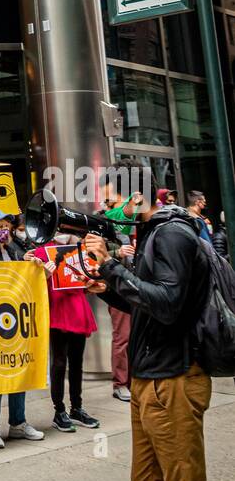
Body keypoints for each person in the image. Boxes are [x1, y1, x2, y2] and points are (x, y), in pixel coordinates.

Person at [84, 194, 218, 481]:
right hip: (150, 381)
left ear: (140, 194)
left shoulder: (173, 234)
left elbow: (169, 304)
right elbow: (149, 304)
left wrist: (111, 266)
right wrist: (109, 287)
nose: (109, 206)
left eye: (115, 196)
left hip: (173, 380)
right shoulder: (153, 234)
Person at [0, 211, 45, 449]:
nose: (5, 229)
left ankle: (18, 423)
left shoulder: (15, 251)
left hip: (15, 323)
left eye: (6, 225)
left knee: (17, 373)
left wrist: (34, 266)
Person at [31, 240, 100, 432]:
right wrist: (44, 273)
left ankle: (76, 408)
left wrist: (92, 278)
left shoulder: (79, 249)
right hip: (58, 307)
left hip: (77, 306)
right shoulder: (41, 251)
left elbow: (88, 278)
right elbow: (35, 283)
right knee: (59, 362)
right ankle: (59, 410)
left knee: (76, 362)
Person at [99, 170, 145, 403]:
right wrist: (118, 252)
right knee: (123, 335)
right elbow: (94, 253)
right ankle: (120, 382)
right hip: (118, 284)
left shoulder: (130, 221)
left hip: (136, 281)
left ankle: (133, 378)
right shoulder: (103, 222)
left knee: (135, 334)